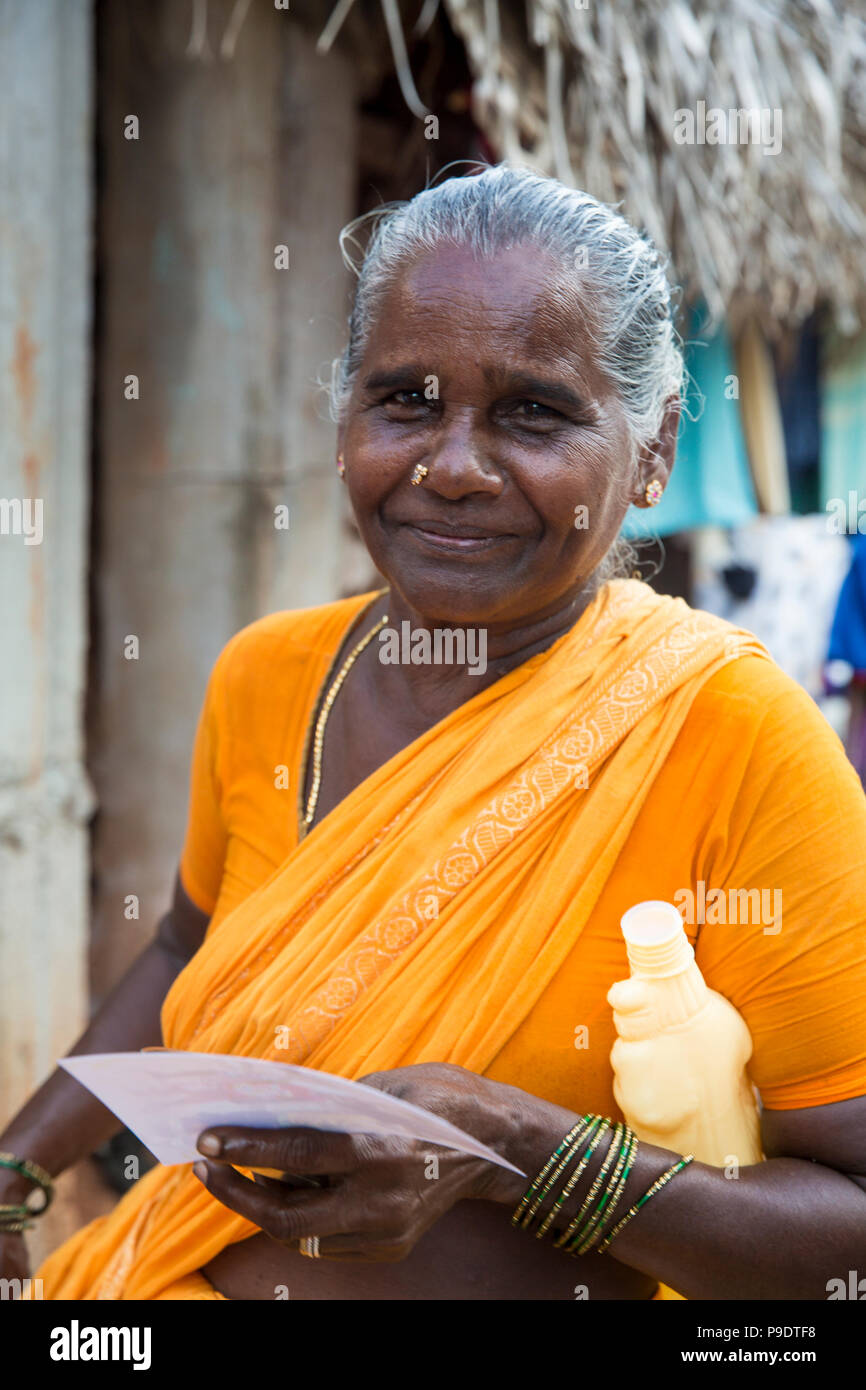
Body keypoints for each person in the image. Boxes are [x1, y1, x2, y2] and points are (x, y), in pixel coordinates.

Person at [2, 166, 865, 1301]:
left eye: (532, 412)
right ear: (346, 414)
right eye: (404, 399)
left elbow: (844, 1232)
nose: (450, 467)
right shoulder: (268, 678)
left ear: (652, 449)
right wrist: (21, 1167)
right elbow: (183, 944)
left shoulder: (731, 732)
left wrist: (503, 1147)